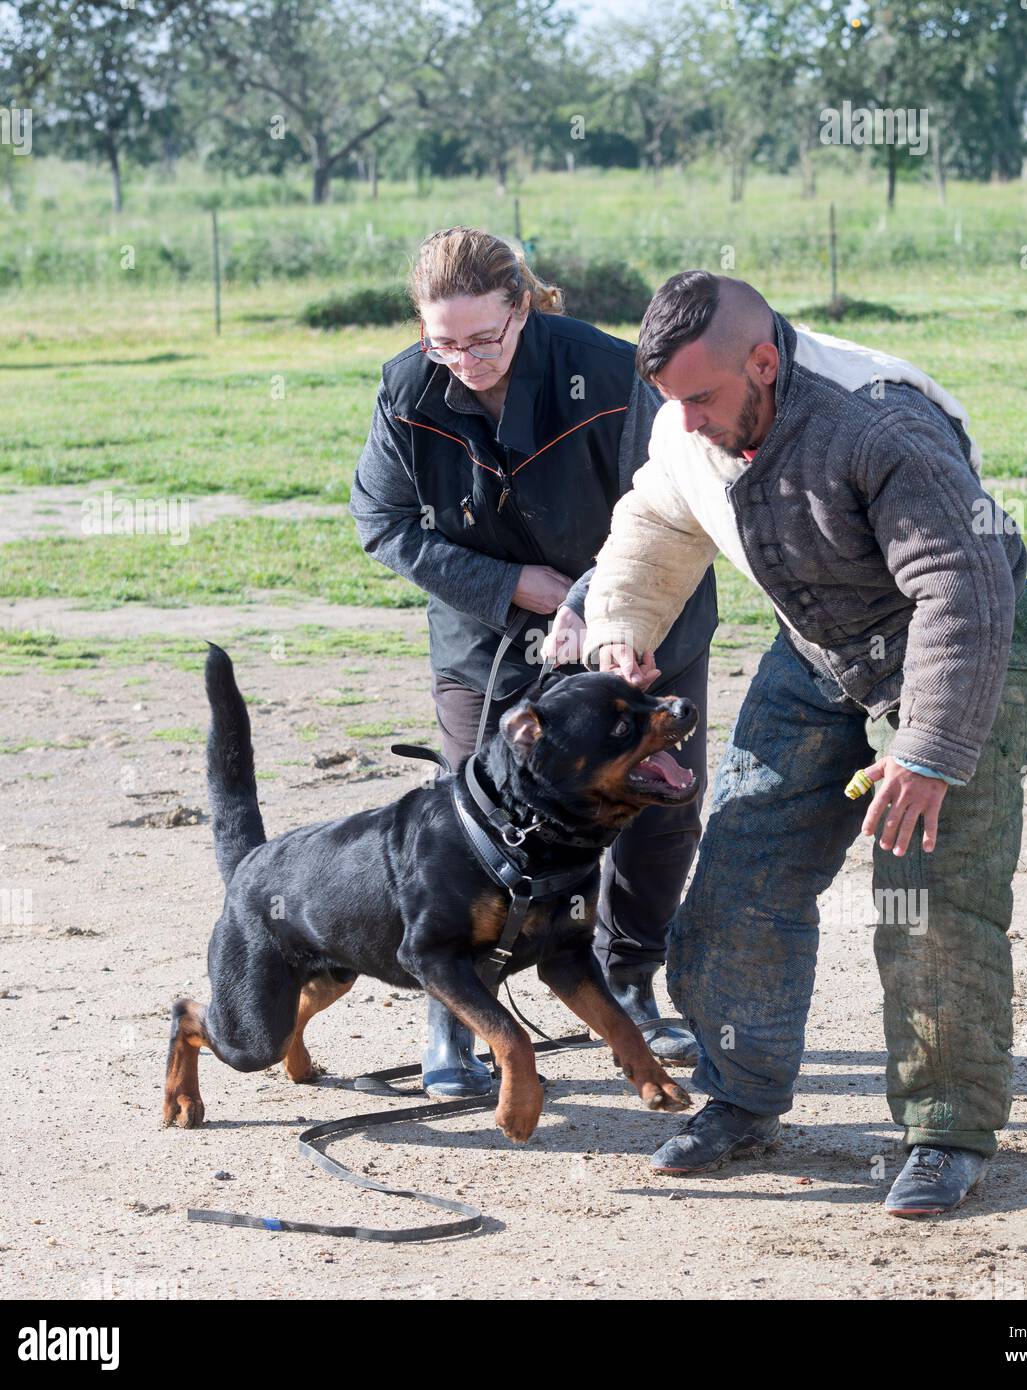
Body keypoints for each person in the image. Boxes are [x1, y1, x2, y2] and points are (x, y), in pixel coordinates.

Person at [582, 271, 1027, 1217]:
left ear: (764, 361)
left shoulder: (878, 426)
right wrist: (621, 625)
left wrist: (928, 752)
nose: (689, 422)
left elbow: (963, 584)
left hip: (951, 645)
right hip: (819, 649)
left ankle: (945, 1129)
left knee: (926, 893)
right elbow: (659, 518)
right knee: (742, 864)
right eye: (673, 402)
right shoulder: (692, 419)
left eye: (702, 399)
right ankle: (742, 1100)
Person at [349, 229, 717, 1098]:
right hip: (485, 626)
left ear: (522, 307)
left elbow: (665, 502)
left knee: (658, 804)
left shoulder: (608, 369)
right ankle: (456, 1014)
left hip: (638, 608)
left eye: (484, 338)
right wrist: (518, 585)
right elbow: (384, 524)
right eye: (444, 342)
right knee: (463, 815)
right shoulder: (408, 389)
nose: (464, 359)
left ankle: (627, 973)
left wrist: (587, 598)